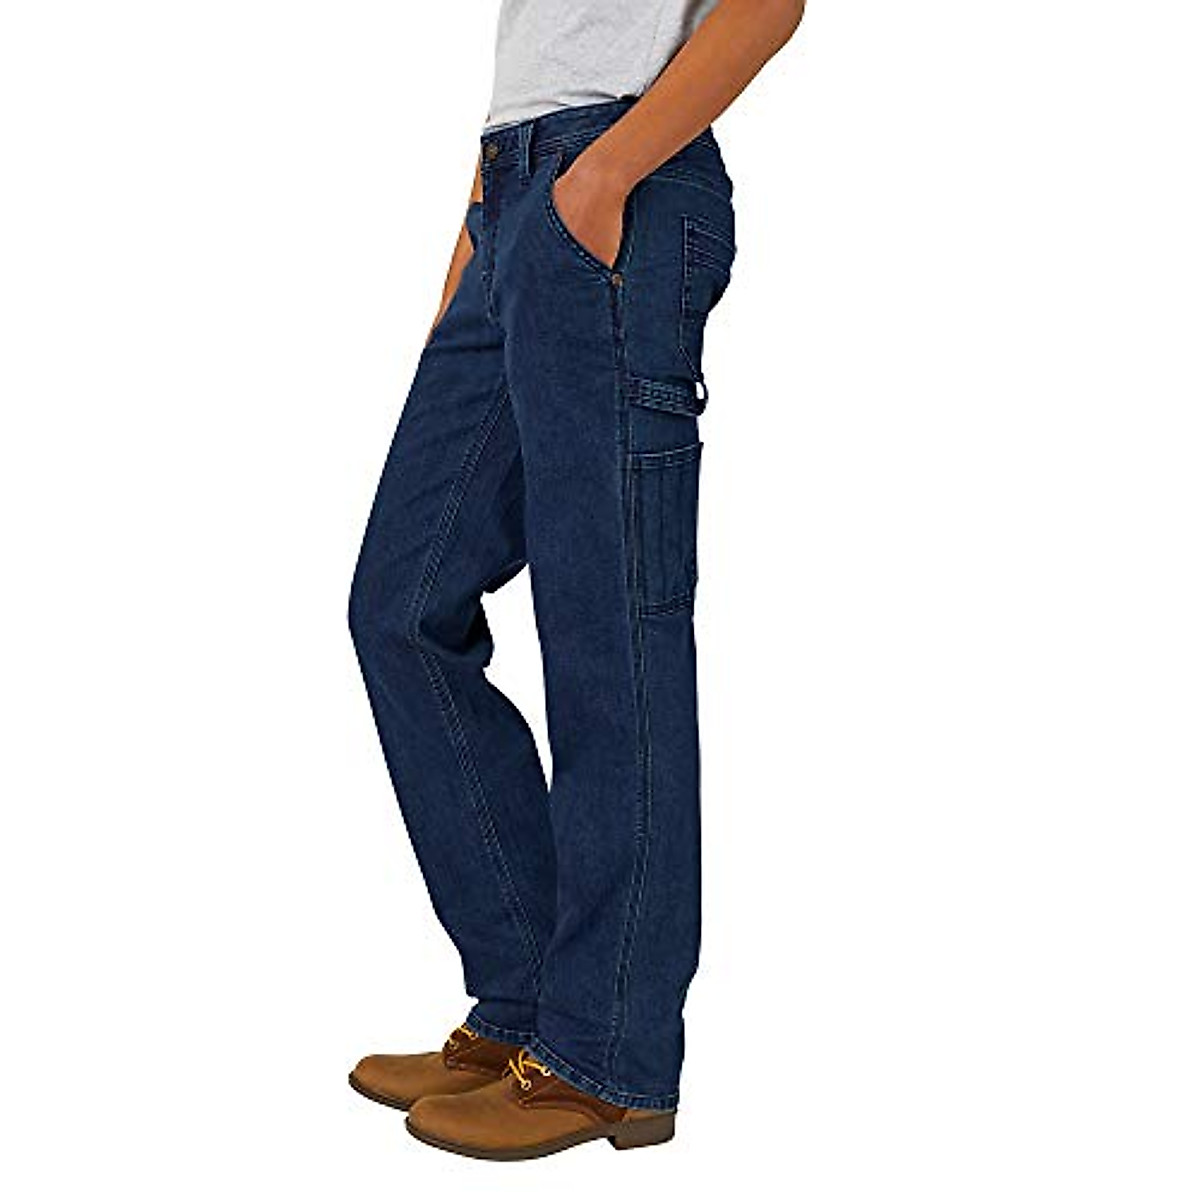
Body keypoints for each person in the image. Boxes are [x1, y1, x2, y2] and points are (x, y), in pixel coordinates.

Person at [348, 0, 805, 1160]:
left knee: (609, 633)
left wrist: (602, 178)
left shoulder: (606, 177)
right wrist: (479, 235)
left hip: (615, 182)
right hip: (518, 198)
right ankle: (527, 1004)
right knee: (401, 607)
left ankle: (608, 1054)